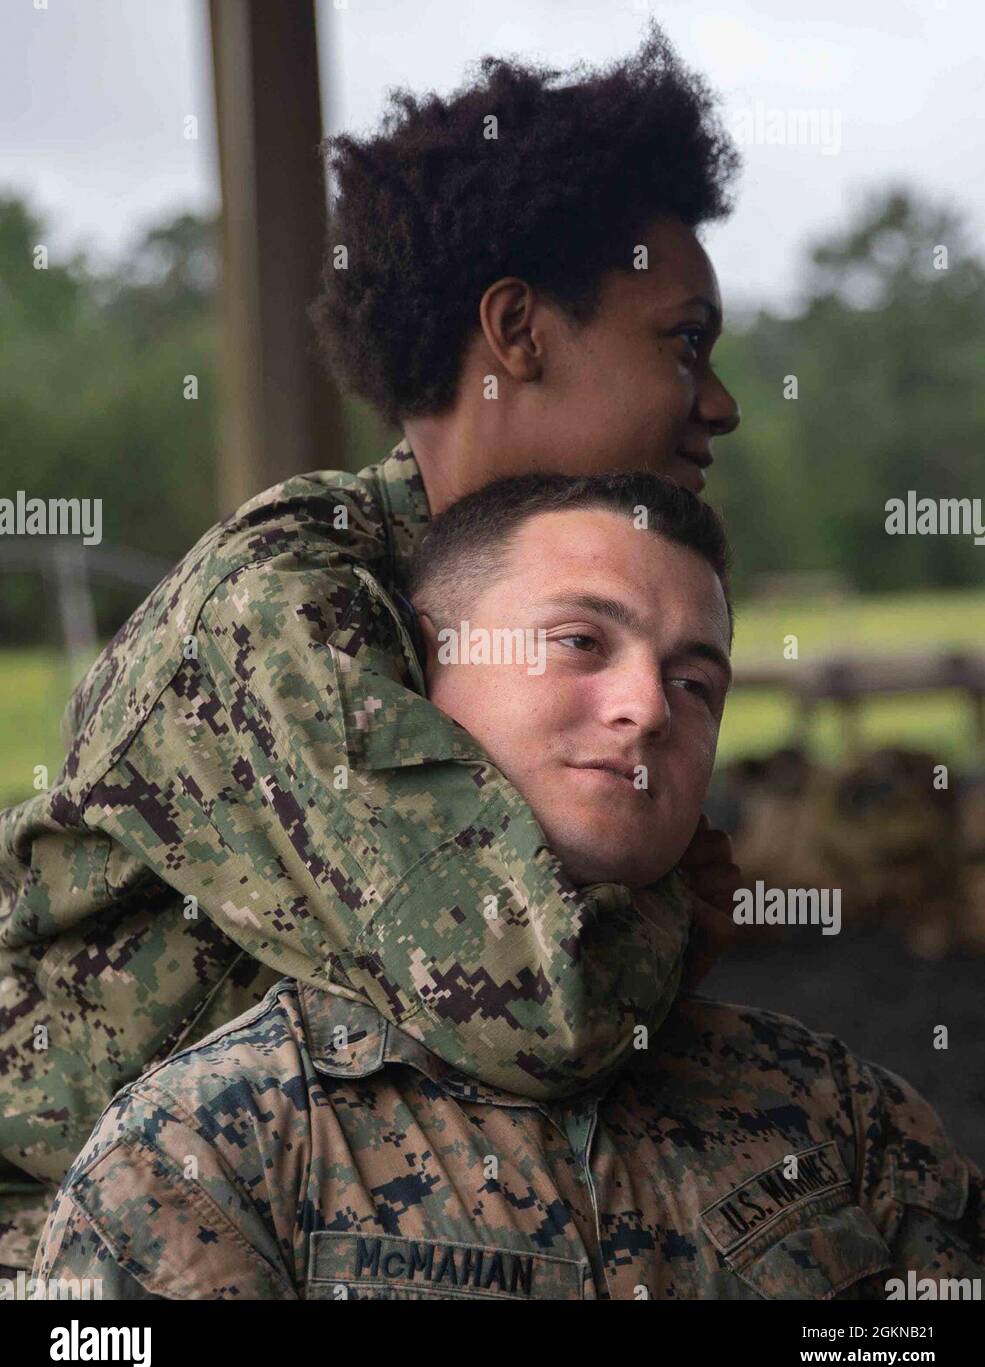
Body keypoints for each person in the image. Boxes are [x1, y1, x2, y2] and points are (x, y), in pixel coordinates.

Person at [0, 23, 741, 1276]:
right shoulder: (283, 606)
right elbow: (537, 994)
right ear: (518, 331)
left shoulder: (533, 595)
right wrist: (670, 881)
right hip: (98, 1241)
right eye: (683, 340)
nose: (718, 401)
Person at [33, 473, 984, 1300]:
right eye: (578, 642)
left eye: (696, 684)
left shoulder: (842, 1117)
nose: (647, 708)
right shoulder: (204, 1157)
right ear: (423, 684)